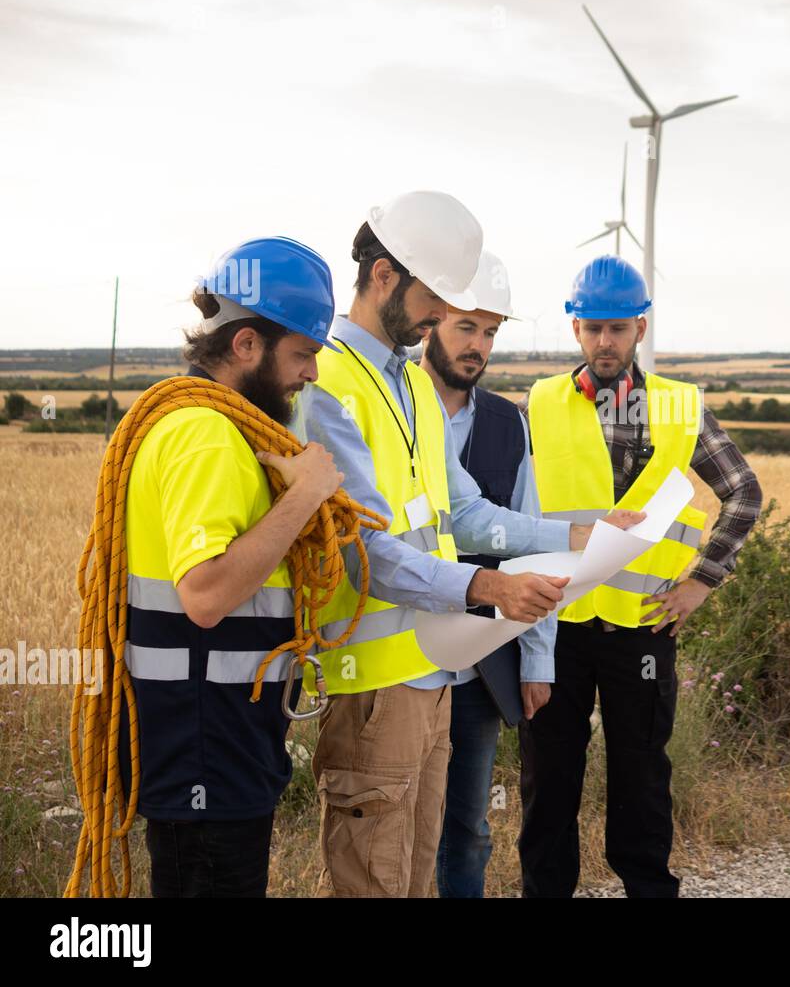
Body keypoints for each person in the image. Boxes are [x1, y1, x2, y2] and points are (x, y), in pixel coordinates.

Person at [295, 194, 641, 897]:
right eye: (439, 301)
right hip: (371, 685)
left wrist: (577, 535)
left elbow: (466, 514)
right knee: (377, 882)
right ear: (386, 275)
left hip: (434, 675)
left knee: (422, 876)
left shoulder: (409, 387)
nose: (440, 321)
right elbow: (366, 551)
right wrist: (486, 588)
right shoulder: (328, 384)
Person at [518, 254, 762, 898]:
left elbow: (743, 492)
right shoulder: (539, 405)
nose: (605, 341)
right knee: (548, 780)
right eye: (593, 327)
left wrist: (701, 583)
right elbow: (508, 508)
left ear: (640, 330)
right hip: (556, 625)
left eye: (618, 328)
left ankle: (649, 890)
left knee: (641, 778)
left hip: (642, 630)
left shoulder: (680, 409)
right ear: (574, 329)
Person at [124, 237, 344, 897]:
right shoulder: (207, 435)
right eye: (303, 354)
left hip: (217, 744)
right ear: (246, 344)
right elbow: (206, 593)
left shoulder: (214, 425)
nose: (312, 374)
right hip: (205, 750)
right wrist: (307, 494)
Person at [416, 249, 552, 898]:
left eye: (492, 331)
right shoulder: (393, 411)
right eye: (467, 326)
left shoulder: (509, 424)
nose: (480, 346)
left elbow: (529, 542)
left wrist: (538, 659)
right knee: (396, 821)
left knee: (465, 828)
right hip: (399, 654)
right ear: (429, 319)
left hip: (478, 665)